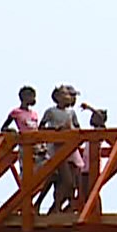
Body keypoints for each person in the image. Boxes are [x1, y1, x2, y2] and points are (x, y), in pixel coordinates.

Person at [39, 85, 86, 213]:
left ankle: (61, 208)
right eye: (64, 95)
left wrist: (71, 130)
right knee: (66, 181)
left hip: (70, 148)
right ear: (57, 97)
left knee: (74, 181)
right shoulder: (51, 112)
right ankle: (56, 207)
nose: (68, 97)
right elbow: (41, 128)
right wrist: (55, 131)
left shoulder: (71, 113)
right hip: (57, 148)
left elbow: (78, 127)